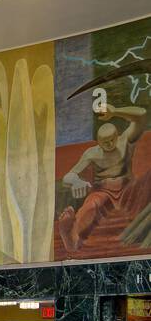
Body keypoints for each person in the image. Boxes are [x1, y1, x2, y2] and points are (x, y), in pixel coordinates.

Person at [57, 103, 149, 253]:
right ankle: (72, 237)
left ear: (117, 136)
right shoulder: (92, 153)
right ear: (98, 142)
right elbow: (69, 175)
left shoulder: (125, 141)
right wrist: (75, 181)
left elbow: (142, 115)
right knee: (92, 205)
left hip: (128, 188)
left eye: (112, 140)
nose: (109, 144)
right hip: (103, 191)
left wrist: (116, 111)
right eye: (104, 142)